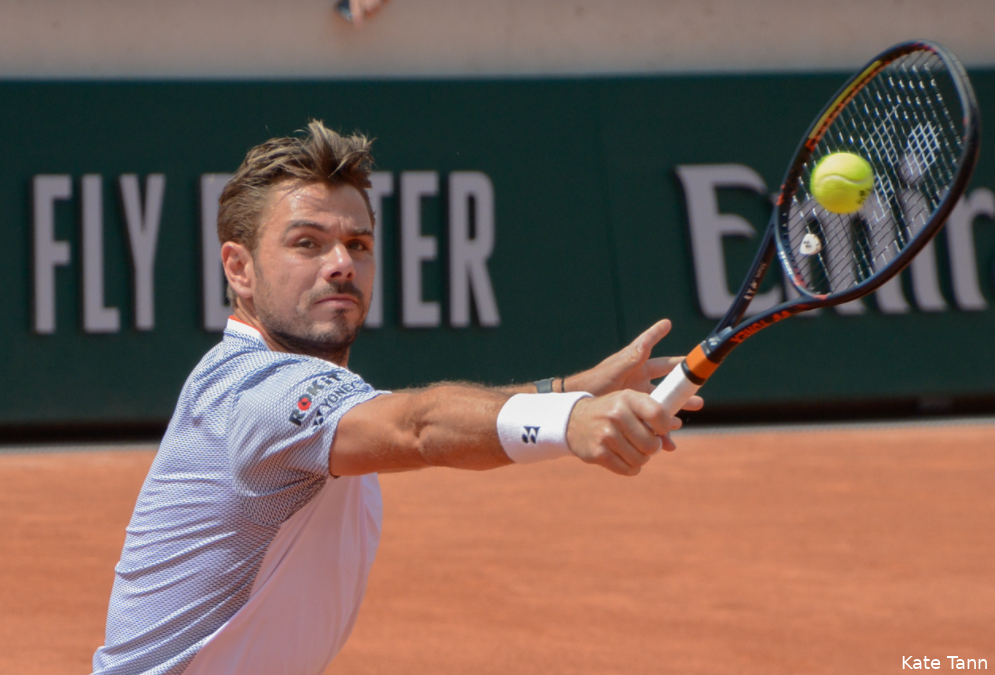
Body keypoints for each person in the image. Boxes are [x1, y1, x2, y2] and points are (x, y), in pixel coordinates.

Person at [91, 120, 702, 675]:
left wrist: (572, 390)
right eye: (307, 243)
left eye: (357, 244)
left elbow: (405, 417)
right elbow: (419, 426)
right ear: (240, 268)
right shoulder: (257, 393)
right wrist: (570, 420)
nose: (341, 264)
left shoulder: (304, 392)